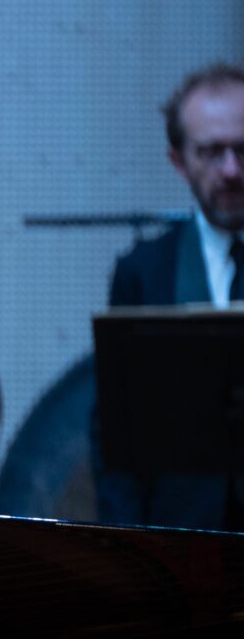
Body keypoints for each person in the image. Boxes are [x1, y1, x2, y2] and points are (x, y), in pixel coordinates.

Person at [95, 62, 243, 530]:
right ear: (178, 160)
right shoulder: (143, 272)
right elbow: (116, 434)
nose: (231, 170)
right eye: (211, 152)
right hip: (180, 542)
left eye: (243, 150)